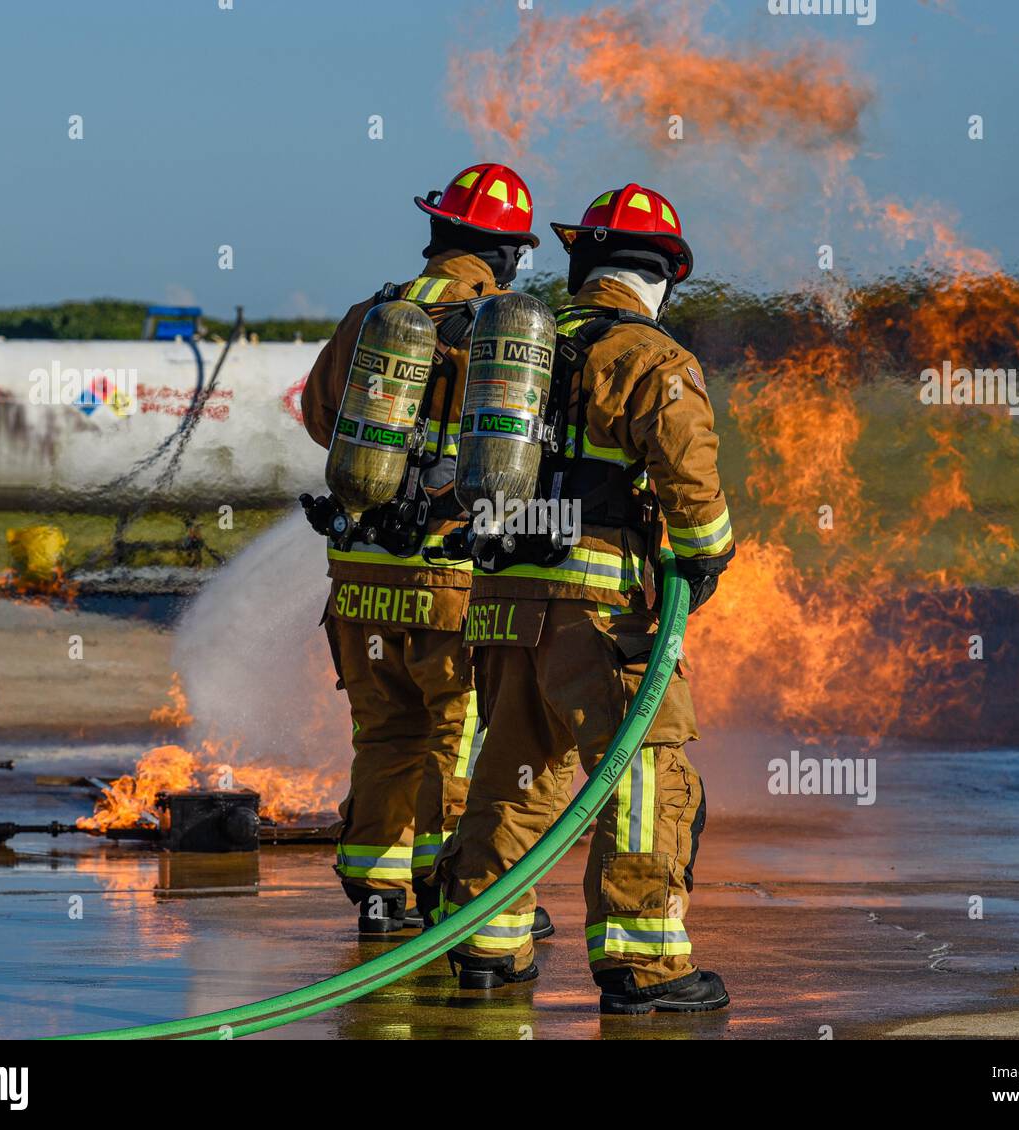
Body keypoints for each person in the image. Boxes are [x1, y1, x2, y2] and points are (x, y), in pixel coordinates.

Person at [436, 184, 734, 1013]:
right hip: (598, 608)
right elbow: (691, 486)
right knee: (644, 771)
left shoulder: (509, 345)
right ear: (665, 272)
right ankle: (643, 965)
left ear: (582, 262)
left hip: (497, 596)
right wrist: (708, 558)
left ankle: (489, 948)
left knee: (510, 772)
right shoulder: (653, 357)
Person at [301, 163, 552, 935]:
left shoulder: (370, 318)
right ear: (507, 256)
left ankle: (378, 893)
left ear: (436, 233)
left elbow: (318, 419)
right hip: (451, 576)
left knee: (384, 732)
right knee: (458, 738)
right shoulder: (507, 333)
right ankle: (454, 892)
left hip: (358, 575)